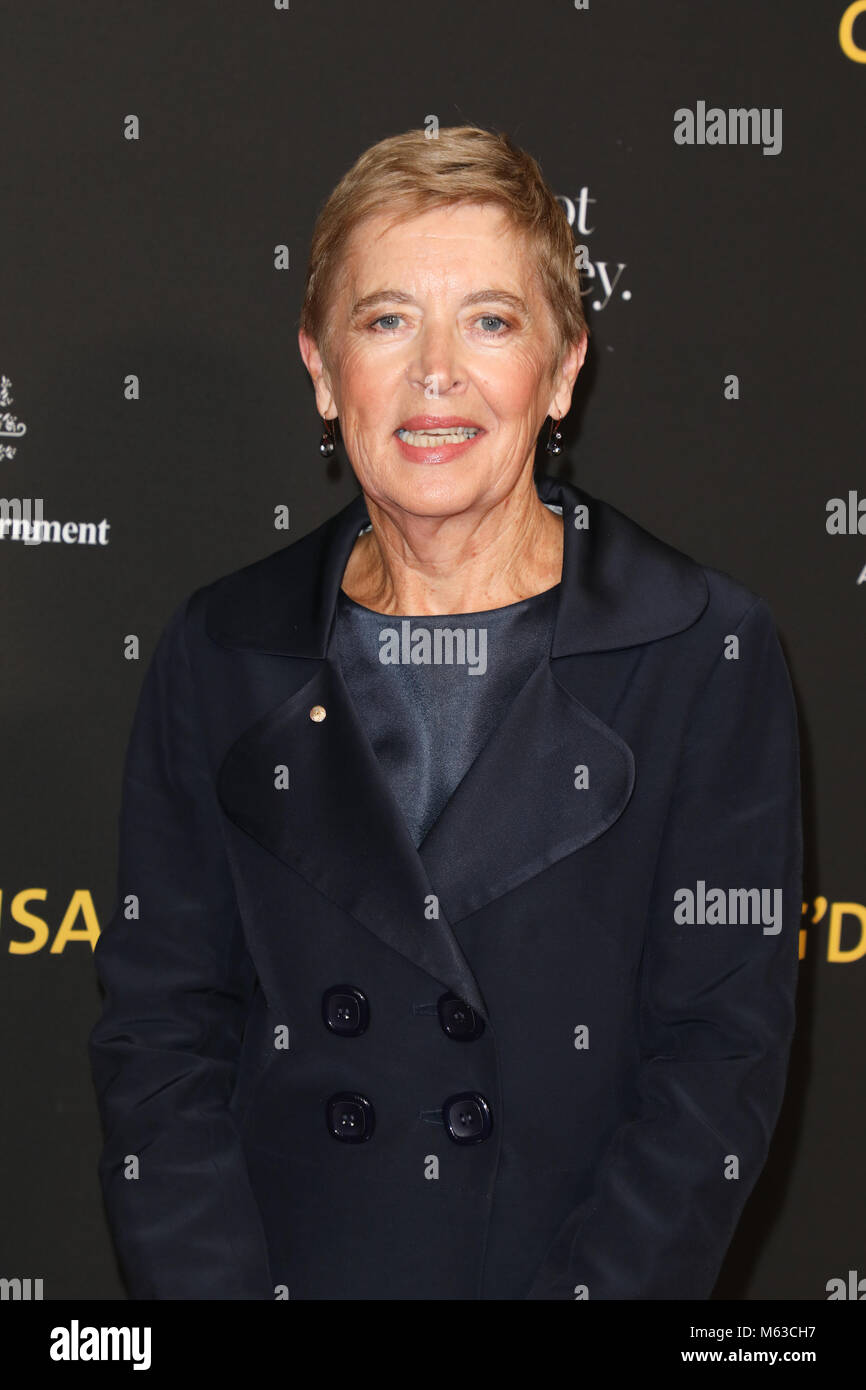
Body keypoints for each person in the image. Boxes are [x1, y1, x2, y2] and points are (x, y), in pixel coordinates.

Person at [89, 124, 803, 1300]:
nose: (435, 373)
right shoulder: (220, 648)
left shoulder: (699, 648)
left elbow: (713, 1067)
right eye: (384, 320)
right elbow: (159, 1043)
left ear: (563, 367)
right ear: (321, 370)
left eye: (489, 319)